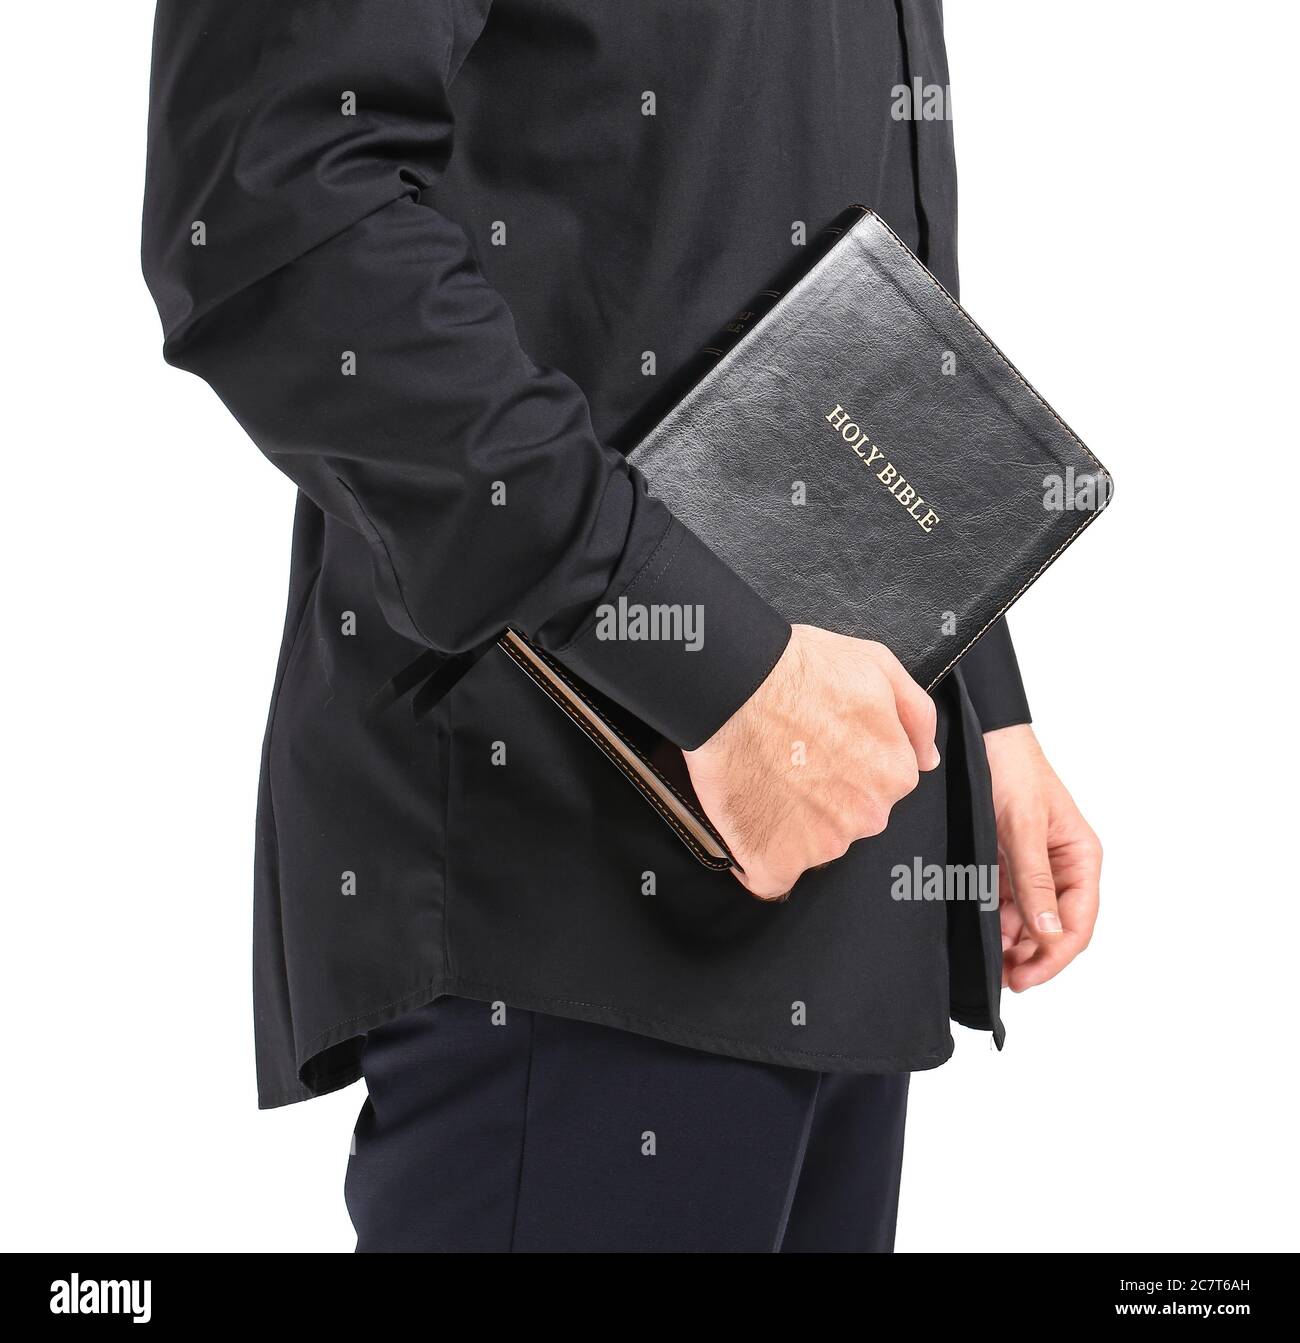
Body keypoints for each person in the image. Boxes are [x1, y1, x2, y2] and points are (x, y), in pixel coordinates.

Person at [141, 0, 1101, 1253]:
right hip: (559, 865)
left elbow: (837, 231)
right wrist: (710, 664)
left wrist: (981, 695)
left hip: (843, 830)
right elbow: (276, 214)